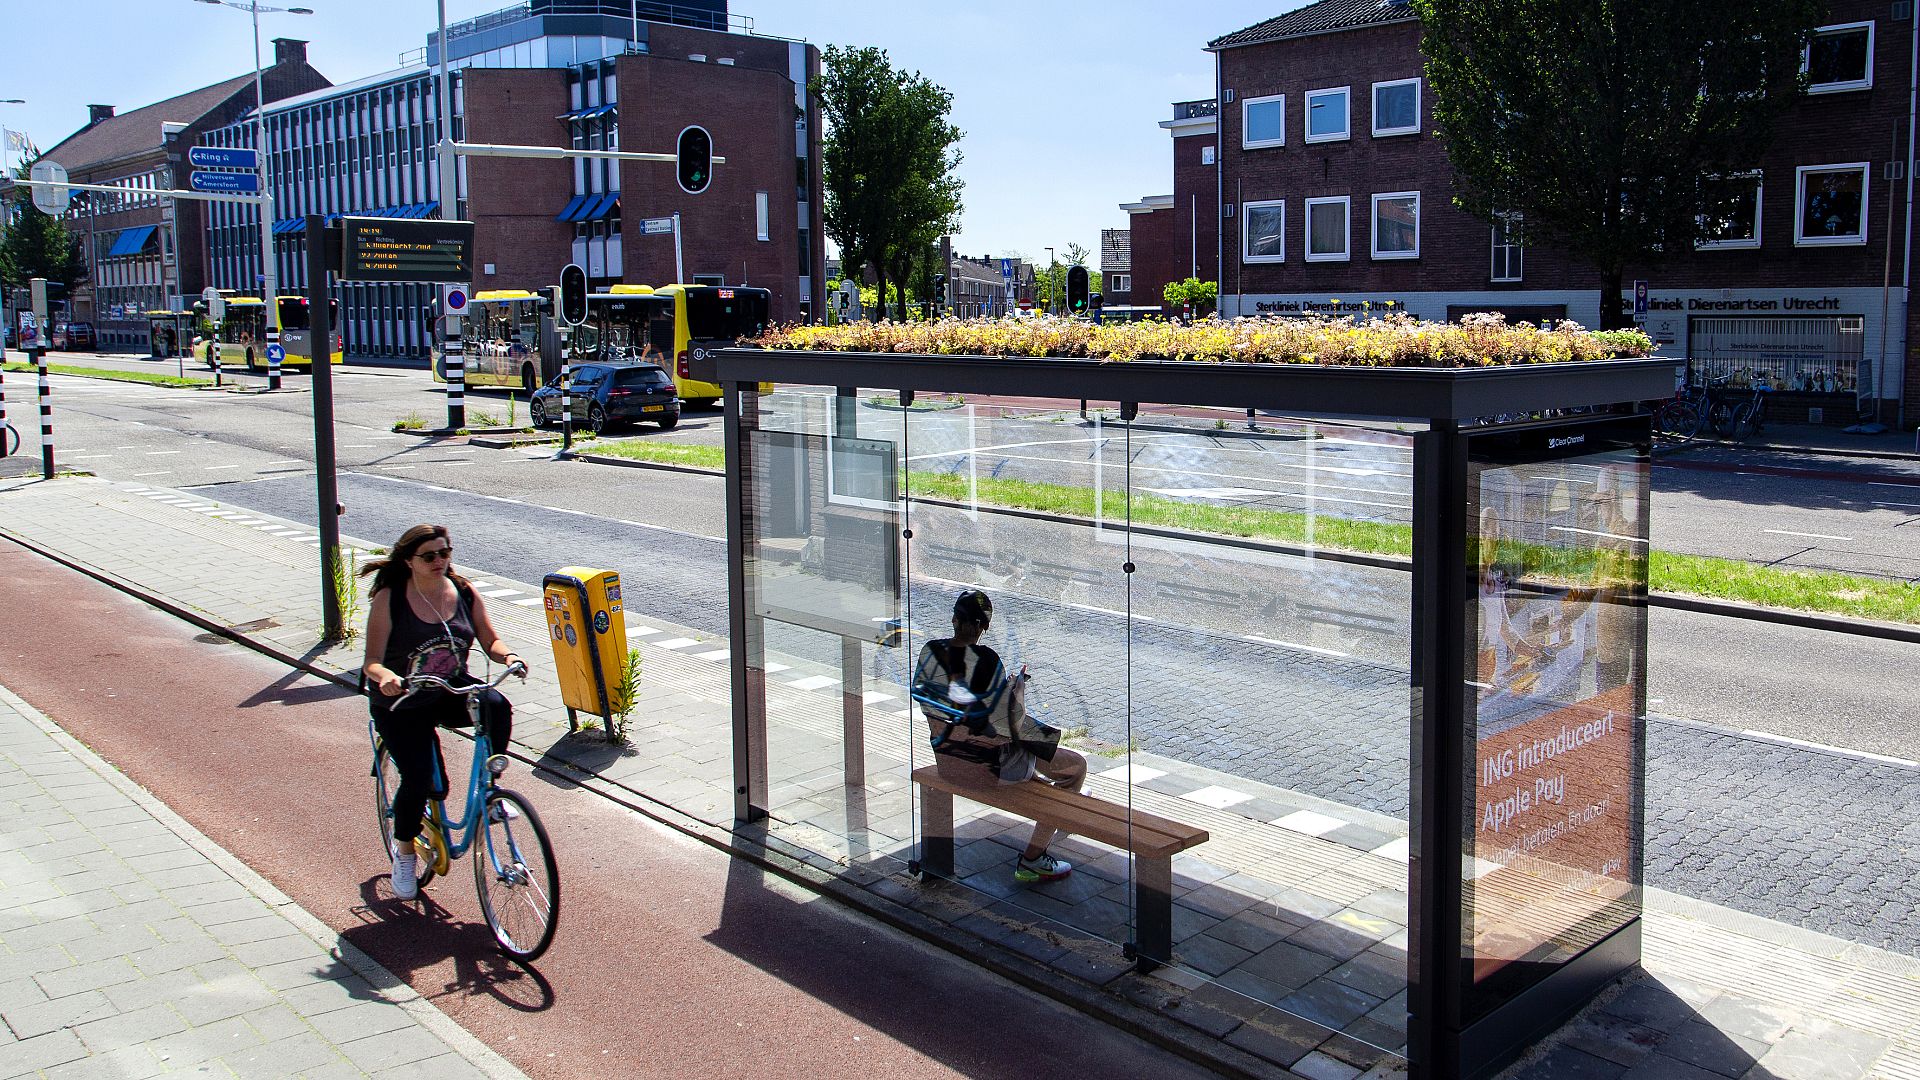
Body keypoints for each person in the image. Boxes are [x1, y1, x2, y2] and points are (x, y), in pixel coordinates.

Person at [360, 525, 525, 900]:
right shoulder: (391, 599)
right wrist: (386, 677)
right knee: (423, 782)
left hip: (448, 690)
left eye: (445, 553)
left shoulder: (463, 591)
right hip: (400, 701)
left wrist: (509, 656)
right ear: (409, 561)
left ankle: (491, 793)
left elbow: (489, 638)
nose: (440, 561)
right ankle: (403, 854)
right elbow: (371, 661)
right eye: (430, 556)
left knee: (496, 706)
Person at [912, 590, 1087, 884]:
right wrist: (1016, 692)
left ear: (954, 619)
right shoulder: (988, 660)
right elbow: (1010, 727)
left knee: (1034, 753)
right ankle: (1033, 858)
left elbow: (938, 703)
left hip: (948, 763)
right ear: (983, 628)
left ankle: (1055, 800)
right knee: (1074, 768)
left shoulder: (930, 652)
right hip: (988, 772)